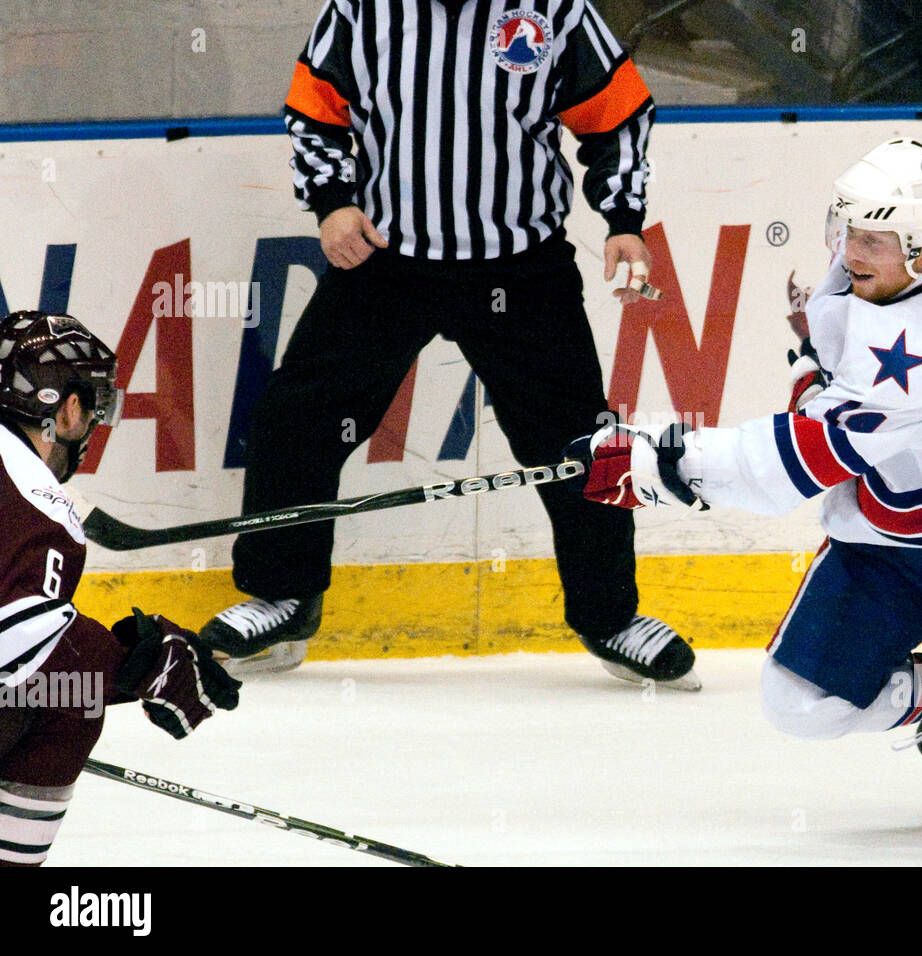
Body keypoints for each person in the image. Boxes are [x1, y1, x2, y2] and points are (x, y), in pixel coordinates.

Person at [571, 139, 922, 810]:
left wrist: (663, 463)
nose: (850, 251)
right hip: (897, 525)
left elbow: (800, 463)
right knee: (800, 702)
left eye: (874, 236)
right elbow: (841, 373)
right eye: (848, 228)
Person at [199, 0, 698, 688]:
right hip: (385, 259)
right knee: (298, 417)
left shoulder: (555, 9)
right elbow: (313, 107)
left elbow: (617, 112)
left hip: (520, 265)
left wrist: (622, 217)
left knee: (580, 441)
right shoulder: (362, 10)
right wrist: (333, 202)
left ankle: (609, 615)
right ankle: (283, 595)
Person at [0, 311, 240, 865]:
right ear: (68, 409)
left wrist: (124, 663)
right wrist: (136, 664)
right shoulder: (34, 502)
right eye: (92, 407)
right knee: (69, 704)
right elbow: (14, 641)